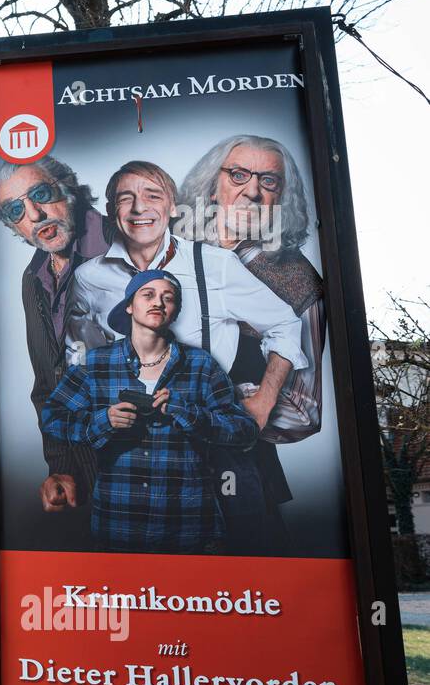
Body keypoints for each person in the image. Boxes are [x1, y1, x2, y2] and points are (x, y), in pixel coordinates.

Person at [67, 160, 307, 553]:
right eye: (125, 199)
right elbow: (85, 354)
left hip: (215, 439)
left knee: (245, 562)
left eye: (152, 196)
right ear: (112, 211)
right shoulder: (90, 278)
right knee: (143, 568)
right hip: (134, 446)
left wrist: (264, 400)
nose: (138, 208)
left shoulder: (215, 265)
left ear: (173, 207)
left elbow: (285, 323)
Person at [41, 270, 258, 553]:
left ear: (175, 312)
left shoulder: (200, 365)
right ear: (129, 306)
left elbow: (244, 431)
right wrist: (102, 421)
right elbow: (52, 417)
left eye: (168, 298)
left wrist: (187, 413)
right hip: (118, 525)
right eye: (148, 294)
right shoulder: (96, 363)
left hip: (190, 528)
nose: (159, 302)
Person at [178, 134, 325, 444]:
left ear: (283, 196)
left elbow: (304, 411)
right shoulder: (171, 252)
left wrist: (236, 397)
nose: (253, 192)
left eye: (269, 181)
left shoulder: (300, 282)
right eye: (239, 175)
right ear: (213, 187)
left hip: (238, 463)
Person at [0, 155, 108, 518]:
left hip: (167, 474)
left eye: (40, 194)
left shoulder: (127, 237)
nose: (34, 215)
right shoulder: (35, 277)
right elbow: (49, 383)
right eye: (15, 210)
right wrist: (61, 468)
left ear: (68, 189)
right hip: (93, 478)